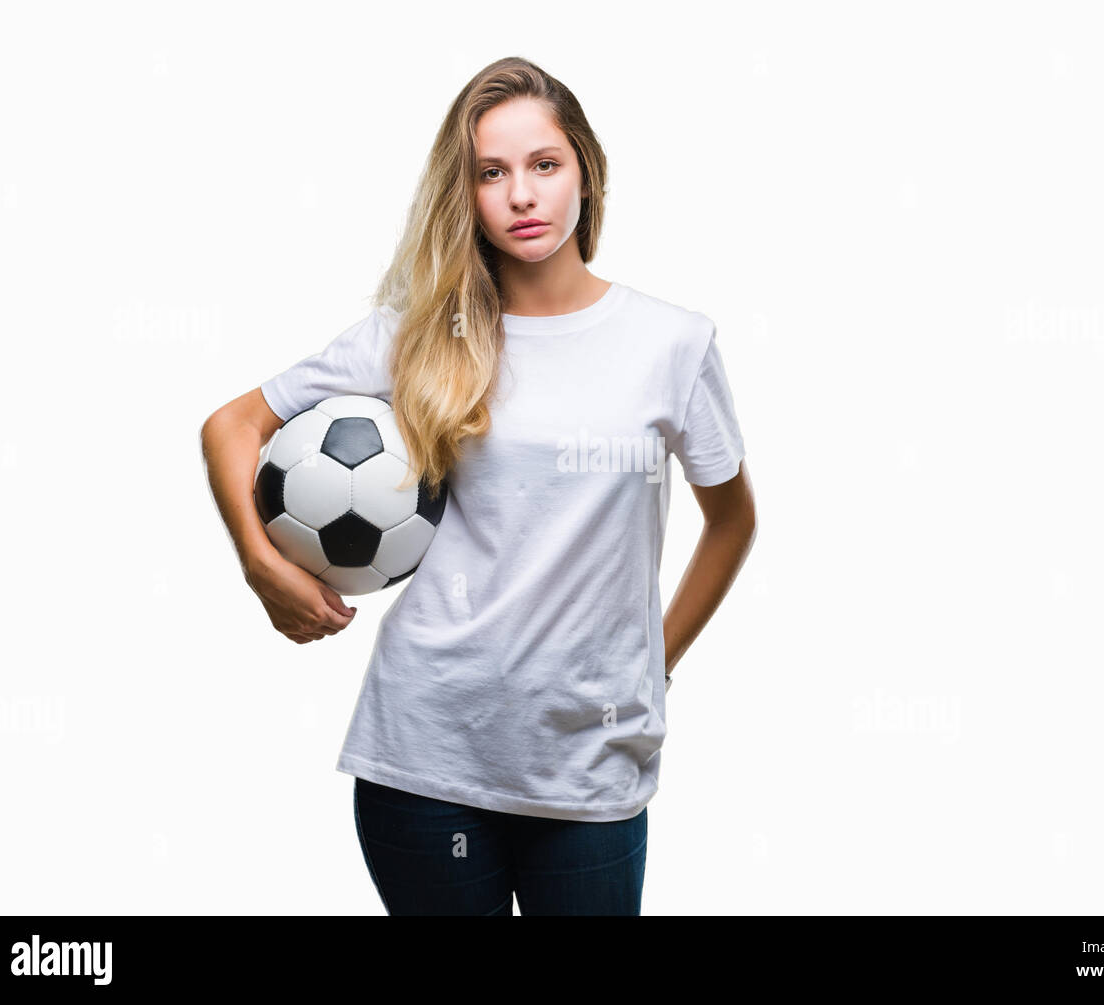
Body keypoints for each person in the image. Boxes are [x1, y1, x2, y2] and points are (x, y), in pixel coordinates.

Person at [200, 56, 757, 915]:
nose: (521, 194)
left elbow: (732, 522)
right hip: (426, 754)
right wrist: (259, 563)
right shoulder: (417, 335)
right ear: (465, 195)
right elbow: (233, 425)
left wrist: (655, 661)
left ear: (586, 171)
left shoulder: (671, 343)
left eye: (544, 164)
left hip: (590, 761)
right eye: (490, 173)